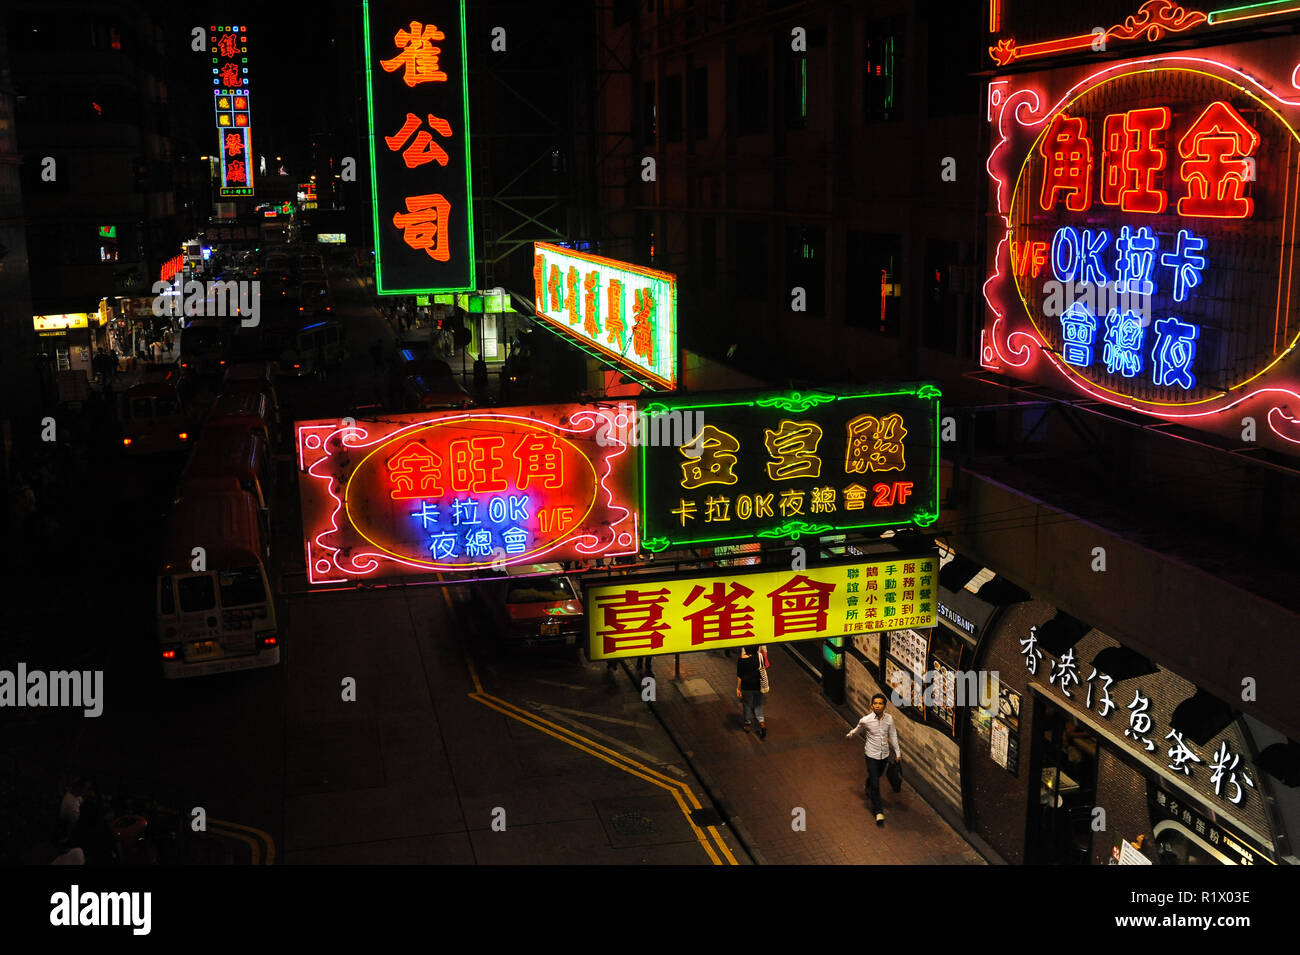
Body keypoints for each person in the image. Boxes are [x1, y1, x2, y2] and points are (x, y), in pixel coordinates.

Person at [846, 692, 901, 826]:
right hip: (871, 755)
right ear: (871, 705)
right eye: (875, 703)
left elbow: (893, 735)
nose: (877, 706)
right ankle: (878, 811)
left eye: (880, 703)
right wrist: (850, 734)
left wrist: (898, 752)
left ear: (884, 706)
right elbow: (858, 729)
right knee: (876, 784)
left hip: (884, 755)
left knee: (876, 776)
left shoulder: (889, 719)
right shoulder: (866, 720)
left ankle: (868, 785)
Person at [735, 645, 766, 738]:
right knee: (758, 705)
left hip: (746, 686)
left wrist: (737, 688)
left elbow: (739, 676)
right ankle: (762, 724)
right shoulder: (759, 657)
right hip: (757, 685)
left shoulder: (741, 660)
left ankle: (747, 725)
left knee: (747, 705)